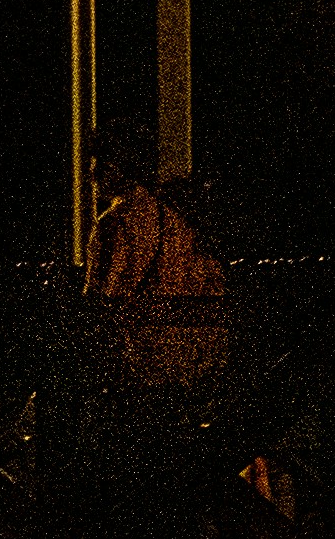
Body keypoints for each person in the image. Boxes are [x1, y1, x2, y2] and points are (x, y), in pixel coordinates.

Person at [85, 126, 228, 387]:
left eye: (101, 167)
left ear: (120, 168)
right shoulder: (169, 219)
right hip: (187, 354)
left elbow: (106, 295)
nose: (93, 176)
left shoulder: (116, 223)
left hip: (141, 357)